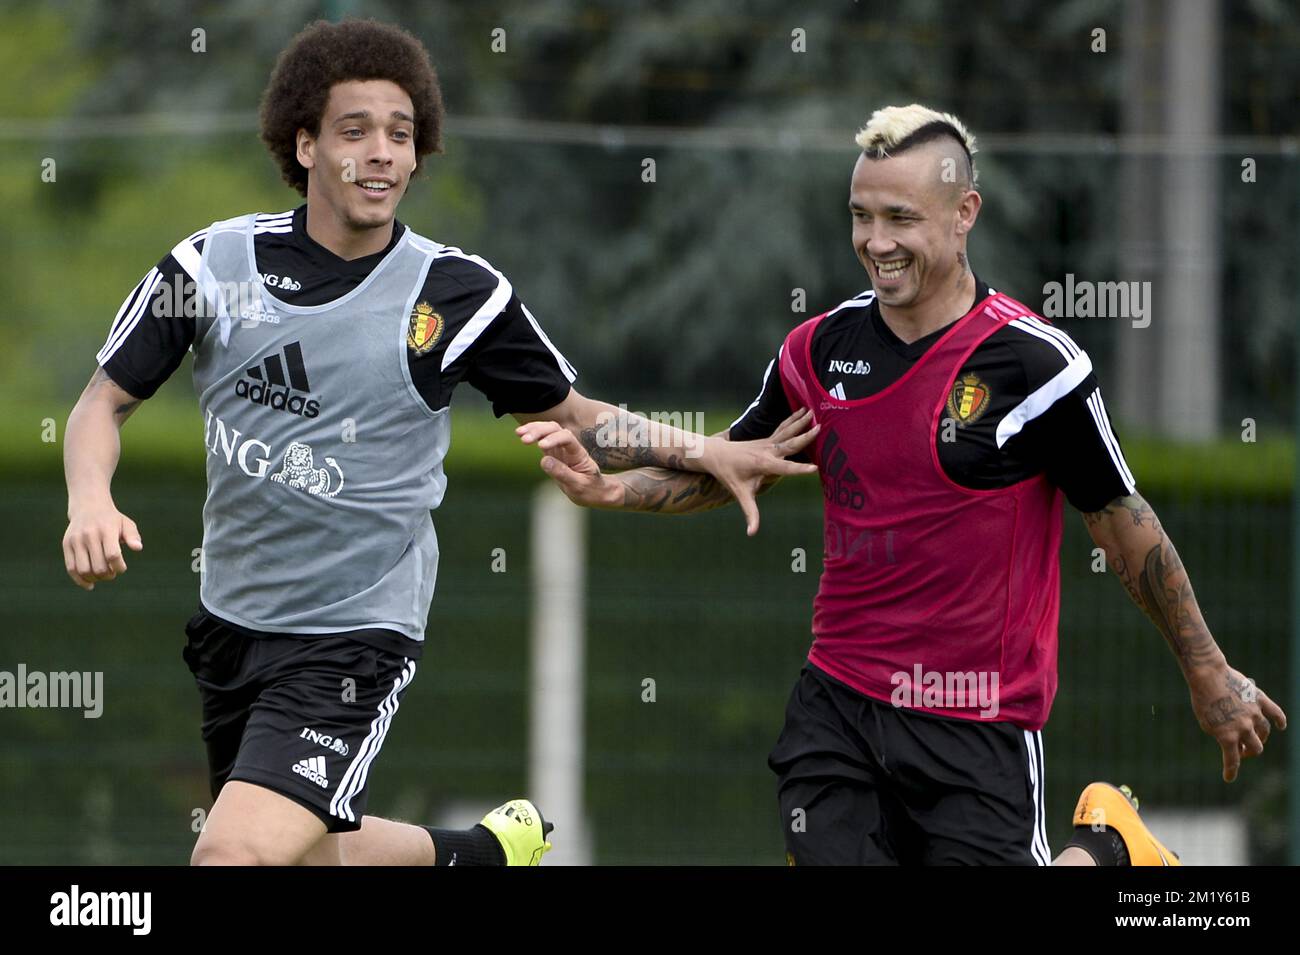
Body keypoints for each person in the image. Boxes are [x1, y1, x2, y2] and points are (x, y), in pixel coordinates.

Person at [62, 17, 807, 866]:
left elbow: (580, 415)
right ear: (303, 145)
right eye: (355, 131)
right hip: (232, 624)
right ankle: (478, 858)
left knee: (232, 855)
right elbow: (100, 403)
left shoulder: (457, 295)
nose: (382, 151)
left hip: (355, 633)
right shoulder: (209, 268)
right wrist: (90, 498)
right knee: (309, 853)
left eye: (402, 134)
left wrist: (706, 449)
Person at [517, 103, 1288, 865]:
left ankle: (1111, 844)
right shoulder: (818, 350)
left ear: (964, 214)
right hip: (839, 705)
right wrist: (615, 490)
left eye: (899, 217)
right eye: (860, 216)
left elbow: (1123, 524)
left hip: (976, 722)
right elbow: (732, 464)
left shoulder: (1035, 365)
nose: (876, 242)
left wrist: (1206, 667)